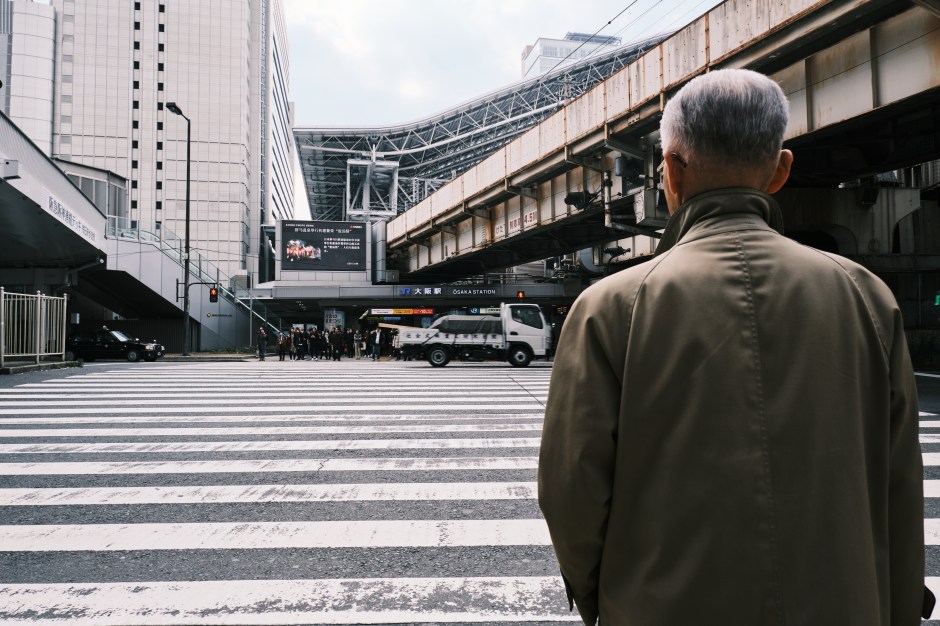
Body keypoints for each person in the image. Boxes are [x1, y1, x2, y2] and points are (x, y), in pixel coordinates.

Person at [538, 68, 927, 625]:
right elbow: (899, 486)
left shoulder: (610, 307)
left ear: (670, 169)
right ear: (781, 170)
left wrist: (604, 597)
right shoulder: (866, 296)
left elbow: (571, 491)